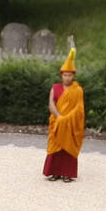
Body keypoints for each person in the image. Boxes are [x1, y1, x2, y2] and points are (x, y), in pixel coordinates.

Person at [43, 48, 84, 183]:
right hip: (57, 121)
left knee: (68, 146)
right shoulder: (55, 87)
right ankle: (54, 172)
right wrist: (59, 117)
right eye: (65, 75)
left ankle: (67, 173)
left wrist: (66, 118)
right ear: (61, 76)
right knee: (55, 145)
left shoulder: (77, 90)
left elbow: (79, 108)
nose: (67, 77)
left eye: (70, 75)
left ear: (73, 76)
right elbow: (51, 104)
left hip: (70, 124)